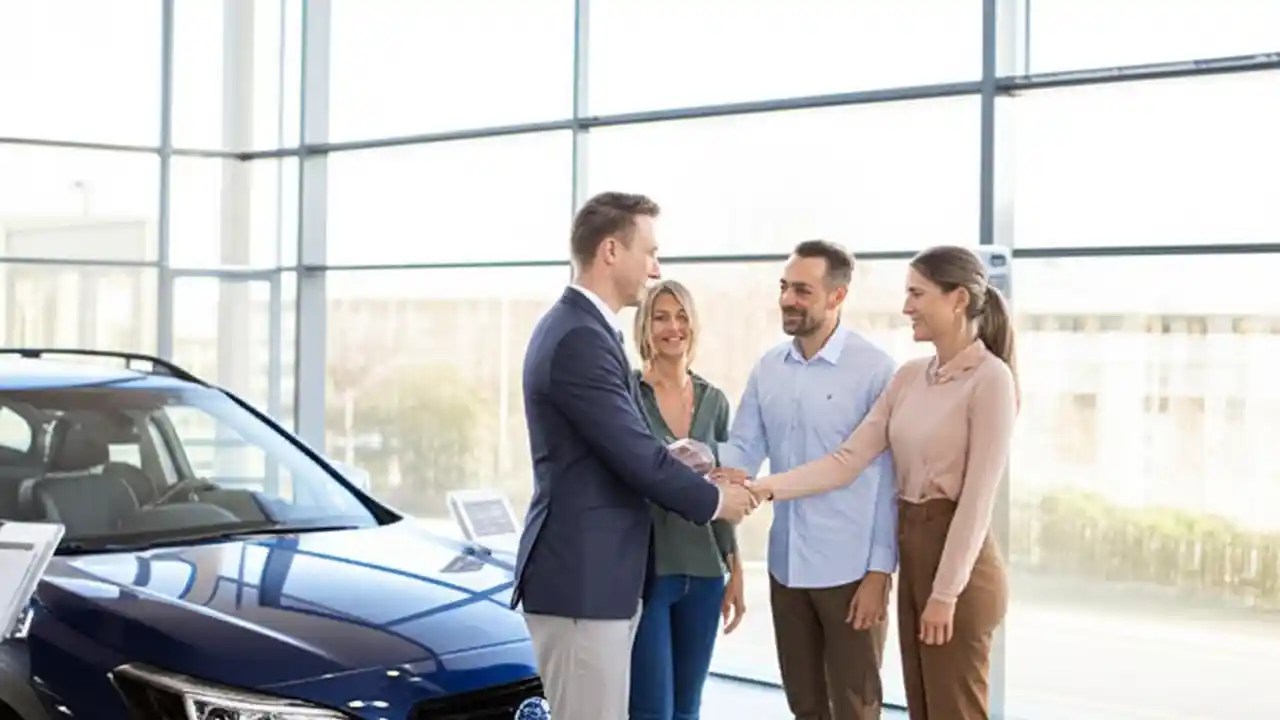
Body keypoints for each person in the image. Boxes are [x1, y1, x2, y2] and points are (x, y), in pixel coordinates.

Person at [739, 245, 1018, 720]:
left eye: (917, 294)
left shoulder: (991, 380)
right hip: (914, 553)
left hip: (959, 566)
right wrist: (765, 488)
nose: (907, 306)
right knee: (921, 708)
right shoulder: (910, 376)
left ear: (957, 300)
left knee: (954, 711)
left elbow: (976, 502)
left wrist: (944, 594)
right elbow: (846, 461)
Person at [513, 191, 758, 720]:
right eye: (648, 251)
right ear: (610, 251)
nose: (655, 267)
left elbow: (624, 446)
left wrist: (679, 460)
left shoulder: (586, 329)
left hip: (599, 579)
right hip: (583, 581)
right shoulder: (580, 335)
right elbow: (633, 456)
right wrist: (716, 500)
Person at [715, 240, 898, 720]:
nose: (787, 300)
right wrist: (694, 457)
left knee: (855, 709)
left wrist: (881, 571)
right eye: (784, 287)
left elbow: (886, 476)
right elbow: (743, 451)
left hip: (851, 571)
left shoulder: (875, 368)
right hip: (786, 568)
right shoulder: (769, 367)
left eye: (802, 290)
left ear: (837, 296)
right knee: (805, 706)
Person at [627, 279, 746, 720]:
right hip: (649, 575)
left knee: (687, 709)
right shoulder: (628, 395)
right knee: (651, 710)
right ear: (645, 326)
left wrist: (734, 569)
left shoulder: (714, 400)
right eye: (661, 317)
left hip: (705, 572)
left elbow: (725, 491)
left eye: (681, 317)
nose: (672, 327)